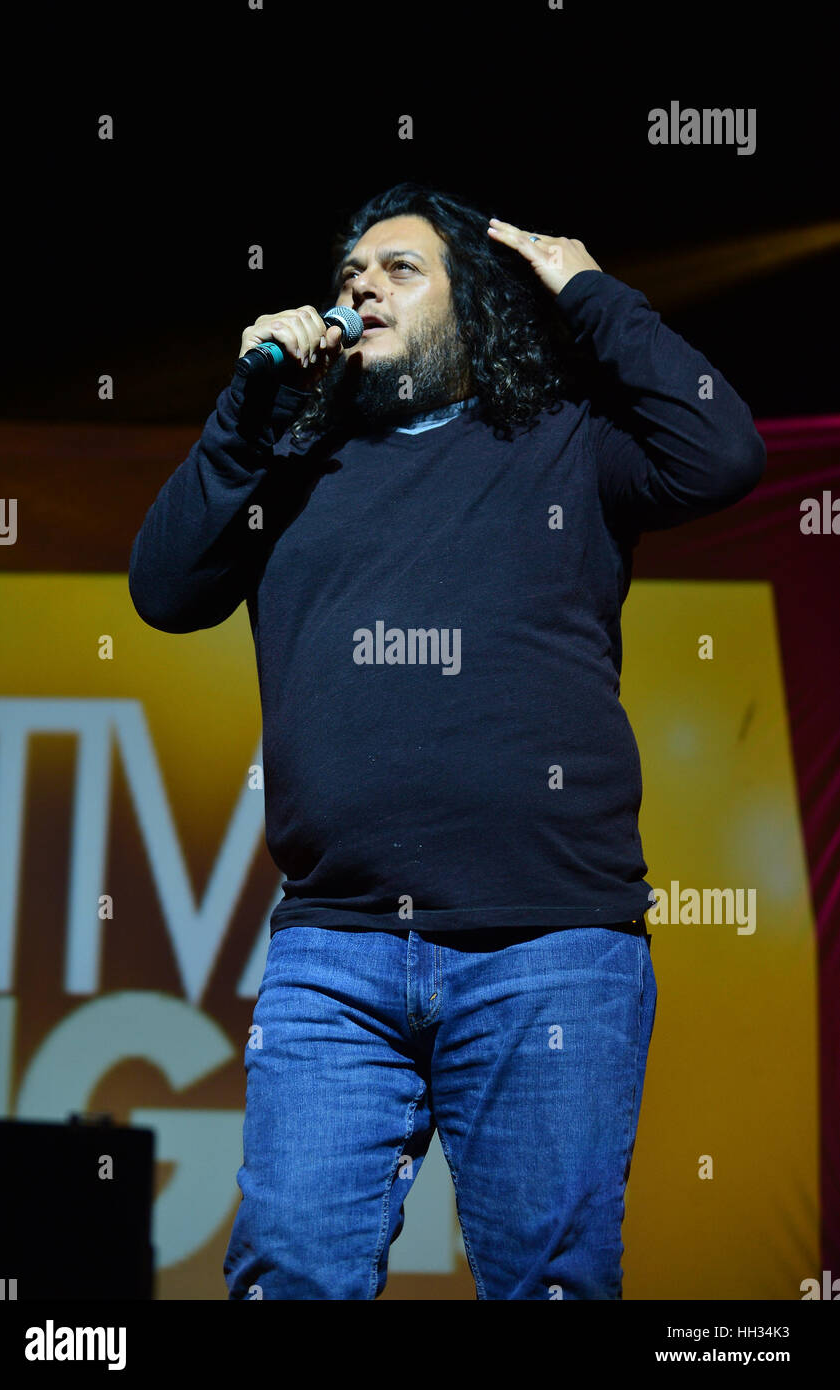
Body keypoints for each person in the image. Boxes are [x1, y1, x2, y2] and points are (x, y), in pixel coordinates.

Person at [128, 182, 766, 1300]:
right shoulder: (294, 466)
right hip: (337, 949)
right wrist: (245, 408)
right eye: (348, 274)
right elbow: (165, 590)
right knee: (288, 1270)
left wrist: (589, 290)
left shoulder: (565, 444)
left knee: (551, 1283)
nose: (360, 285)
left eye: (398, 269)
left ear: (470, 308)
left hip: (550, 941)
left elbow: (720, 448)